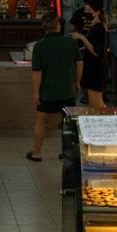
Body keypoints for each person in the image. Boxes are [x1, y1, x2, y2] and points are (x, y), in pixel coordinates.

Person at [27, 12, 83, 162]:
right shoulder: (70, 43)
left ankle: (37, 153)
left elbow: (37, 72)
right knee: (68, 123)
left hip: (47, 92)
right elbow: (79, 64)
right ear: (58, 25)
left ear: (42, 27)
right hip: (68, 89)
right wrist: (77, 82)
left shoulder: (39, 46)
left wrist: (36, 92)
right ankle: (68, 153)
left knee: (41, 122)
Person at [71, 0, 108, 108]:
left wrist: (81, 37)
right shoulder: (98, 27)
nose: (86, 12)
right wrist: (84, 47)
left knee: (95, 106)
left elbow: (96, 51)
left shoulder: (98, 28)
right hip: (95, 68)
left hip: (95, 70)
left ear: (96, 13)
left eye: (88, 11)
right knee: (100, 105)